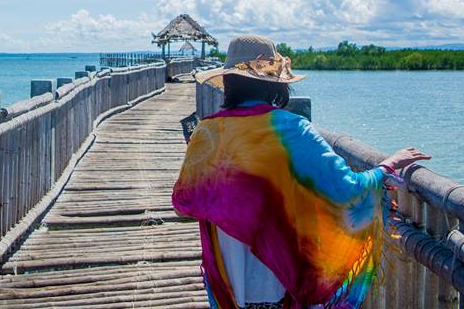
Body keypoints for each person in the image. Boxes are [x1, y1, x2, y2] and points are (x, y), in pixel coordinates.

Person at [172, 35, 430, 309]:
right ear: (274, 83)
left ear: (228, 83)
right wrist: (385, 167)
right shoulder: (292, 128)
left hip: (226, 277)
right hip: (274, 277)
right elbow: (348, 188)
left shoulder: (207, 132)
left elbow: (183, 203)